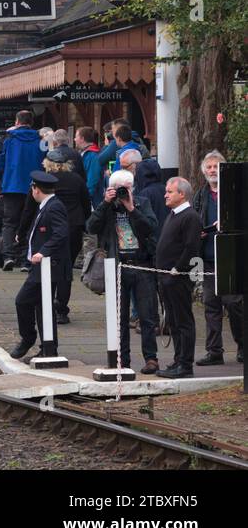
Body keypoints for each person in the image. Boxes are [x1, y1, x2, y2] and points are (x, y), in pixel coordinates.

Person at [85, 169, 160, 374]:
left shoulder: (142, 203)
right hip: (116, 266)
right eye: (118, 189)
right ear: (111, 189)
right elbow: (91, 227)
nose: (122, 192)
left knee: (146, 316)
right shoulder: (107, 207)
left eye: (126, 188)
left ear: (132, 187)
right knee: (120, 317)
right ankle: (122, 360)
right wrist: (105, 203)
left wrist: (132, 208)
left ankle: (151, 358)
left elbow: (150, 228)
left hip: (141, 264)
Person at [22, 148, 92, 326]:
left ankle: (47, 303)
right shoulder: (77, 180)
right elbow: (86, 203)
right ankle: (61, 308)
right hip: (73, 228)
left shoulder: (42, 182)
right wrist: (83, 223)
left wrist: (21, 231)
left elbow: (29, 209)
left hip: (47, 230)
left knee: (46, 267)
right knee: (65, 268)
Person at [9, 170, 69, 360]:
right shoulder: (47, 205)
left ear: (36, 189)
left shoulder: (54, 207)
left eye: (32, 187)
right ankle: (48, 349)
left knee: (22, 301)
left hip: (48, 266)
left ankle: (28, 338)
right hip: (42, 267)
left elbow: (61, 232)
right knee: (43, 307)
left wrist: (43, 252)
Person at [194, 151, 243, 365]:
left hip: (231, 257)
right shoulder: (201, 195)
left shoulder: (235, 192)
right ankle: (214, 351)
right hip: (208, 256)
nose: (212, 170)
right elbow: (195, 220)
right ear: (204, 171)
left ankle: (242, 346)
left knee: (234, 304)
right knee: (210, 305)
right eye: (209, 167)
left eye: (216, 166)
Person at [155, 177, 202, 378]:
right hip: (166, 277)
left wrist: (177, 269)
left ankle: (185, 364)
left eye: (170, 191)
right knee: (173, 321)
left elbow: (191, 247)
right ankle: (177, 359)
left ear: (181, 194)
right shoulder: (173, 215)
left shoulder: (190, 216)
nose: (165, 194)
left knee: (183, 321)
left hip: (178, 277)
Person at [0, 110, 42, 271]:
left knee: (9, 223)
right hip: (34, 186)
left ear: (17, 121)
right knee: (30, 222)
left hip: (11, 186)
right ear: (31, 122)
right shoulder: (40, 140)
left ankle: (8, 256)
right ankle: (26, 259)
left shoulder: (8, 139)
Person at [121, 148, 166, 236]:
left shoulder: (144, 193)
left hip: (152, 238)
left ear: (136, 165)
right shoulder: (166, 189)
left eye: (125, 167)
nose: (122, 170)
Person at [76, 126, 103, 207]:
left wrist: (85, 198)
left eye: (76, 137)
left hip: (92, 201)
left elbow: (92, 180)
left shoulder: (93, 156)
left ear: (82, 139)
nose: (74, 139)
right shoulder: (85, 153)